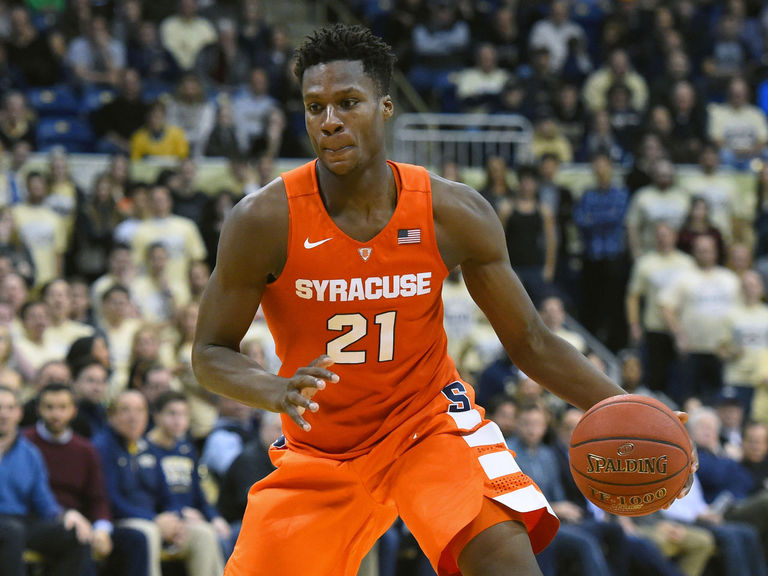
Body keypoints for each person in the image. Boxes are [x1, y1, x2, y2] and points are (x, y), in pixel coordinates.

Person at [191, 25, 691, 576]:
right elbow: (210, 351)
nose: (329, 120)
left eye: (347, 103)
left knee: (506, 560)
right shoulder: (263, 218)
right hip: (321, 449)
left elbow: (530, 340)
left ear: (385, 108)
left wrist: (633, 413)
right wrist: (276, 389)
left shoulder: (451, 212)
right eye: (314, 108)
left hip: (427, 426)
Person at [24, 383, 150, 576]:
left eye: (62, 407)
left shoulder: (85, 449)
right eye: (49, 407)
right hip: (41, 520)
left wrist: (102, 528)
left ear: (73, 410)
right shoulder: (25, 444)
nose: (56, 414)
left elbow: (98, 497)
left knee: (136, 539)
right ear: (39, 409)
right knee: (78, 537)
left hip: (82, 520)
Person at [0, 385, 90, 576]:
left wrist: (65, 516)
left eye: (10, 408)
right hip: (7, 527)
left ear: (19, 413)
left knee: (75, 535)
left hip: (21, 522)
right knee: (12, 531)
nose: (4, 414)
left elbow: (43, 500)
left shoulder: (30, 453)